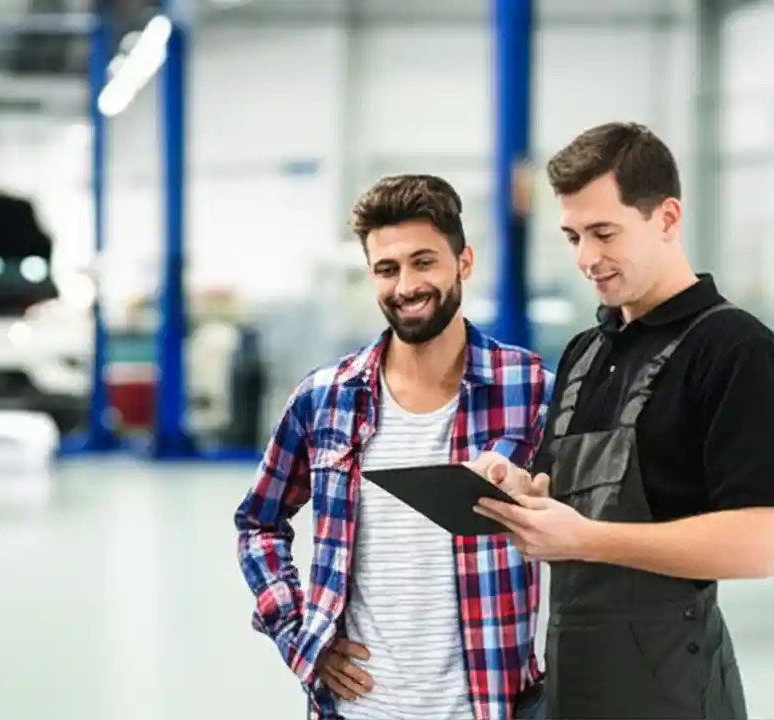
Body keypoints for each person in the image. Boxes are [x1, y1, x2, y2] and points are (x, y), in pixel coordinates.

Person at [470, 122, 774, 719]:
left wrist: (589, 541)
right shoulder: (587, 350)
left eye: (604, 233)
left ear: (666, 218)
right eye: (572, 236)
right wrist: (519, 490)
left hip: (674, 693)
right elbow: (568, 492)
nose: (586, 258)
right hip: (576, 686)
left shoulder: (735, 350)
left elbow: (762, 541)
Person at [235, 175, 554, 720]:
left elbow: (585, 524)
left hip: (490, 706)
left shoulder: (529, 390)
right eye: (387, 269)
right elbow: (258, 525)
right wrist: (298, 634)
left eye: (423, 262)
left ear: (464, 262)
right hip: (356, 710)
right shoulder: (325, 399)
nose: (405, 285)